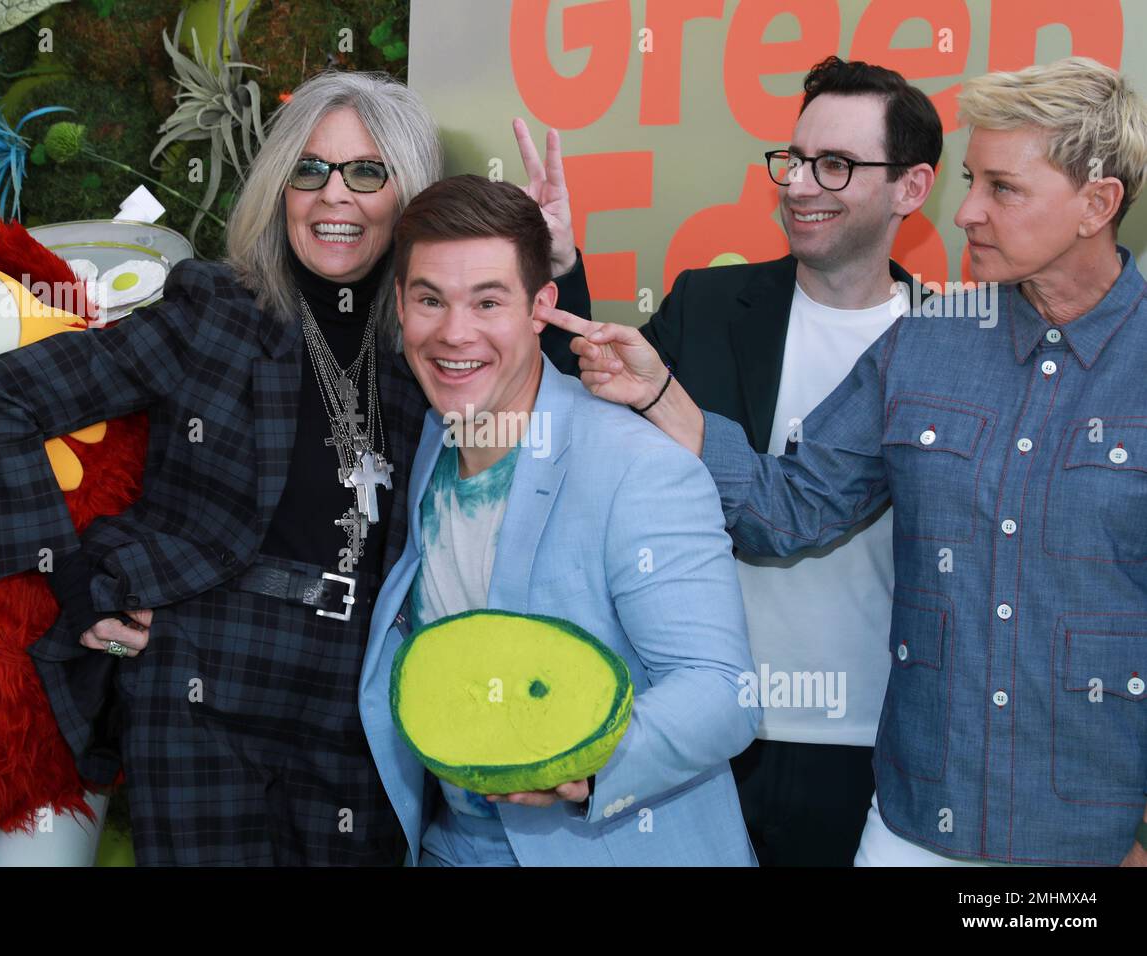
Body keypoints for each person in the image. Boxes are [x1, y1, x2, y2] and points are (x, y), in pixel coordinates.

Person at [0, 71, 588, 865]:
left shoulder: (431, 341)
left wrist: (555, 263)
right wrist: (64, 577)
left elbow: (548, 420)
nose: (333, 196)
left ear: (405, 194)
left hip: (362, 692)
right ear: (282, 190)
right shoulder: (215, 311)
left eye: (366, 172)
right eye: (309, 170)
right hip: (202, 674)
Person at [548, 56, 1147, 867]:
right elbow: (786, 509)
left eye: (1002, 188)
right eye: (971, 180)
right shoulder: (926, 344)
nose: (966, 211)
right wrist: (662, 397)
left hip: (1088, 839)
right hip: (911, 826)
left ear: (1097, 204)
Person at [530, 56, 940, 866]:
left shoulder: (952, 346)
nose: (799, 186)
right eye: (792, 160)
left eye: (836, 165)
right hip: (697, 728)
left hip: (870, 747)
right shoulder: (711, 304)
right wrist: (552, 270)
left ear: (912, 188)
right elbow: (585, 408)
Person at [358, 174, 759, 866]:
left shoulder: (635, 465)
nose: (456, 333)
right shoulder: (427, 438)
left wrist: (586, 767)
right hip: (453, 847)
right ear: (399, 303)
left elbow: (726, 691)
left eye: (489, 301)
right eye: (430, 299)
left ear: (541, 306)